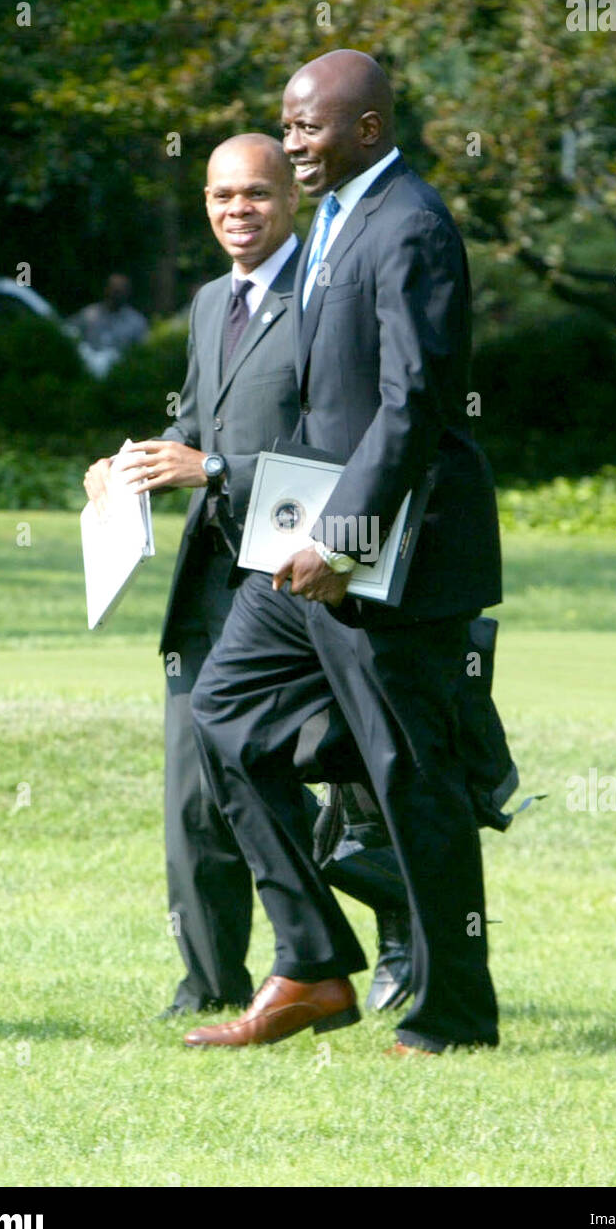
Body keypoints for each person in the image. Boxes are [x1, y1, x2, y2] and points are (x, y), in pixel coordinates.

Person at [187, 51, 504, 1056]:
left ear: (364, 129)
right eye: (284, 126)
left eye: (305, 128)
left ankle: (454, 1013)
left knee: (411, 775)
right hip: (303, 551)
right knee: (221, 711)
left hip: (385, 556)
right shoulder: (334, 218)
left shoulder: (408, 224)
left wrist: (343, 536)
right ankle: (315, 961)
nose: (289, 144)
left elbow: (414, 407)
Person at [83, 134, 415, 1018]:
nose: (240, 211)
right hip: (209, 584)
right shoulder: (204, 304)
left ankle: (378, 931)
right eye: (223, 196)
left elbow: (349, 448)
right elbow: (192, 430)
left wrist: (217, 469)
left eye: (258, 195)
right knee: (193, 796)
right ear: (204, 203)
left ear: (292, 201)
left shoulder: (327, 300)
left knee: (328, 769)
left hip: (300, 579)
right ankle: (209, 985)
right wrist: (122, 474)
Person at [69, 273, 148, 379]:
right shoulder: (89, 314)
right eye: (114, 290)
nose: (116, 294)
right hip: (86, 375)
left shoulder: (136, 322)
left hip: (120, 378)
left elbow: (143, 353)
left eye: (120, 291)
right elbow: (68, 333)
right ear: (106, 289)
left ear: (128, 293)